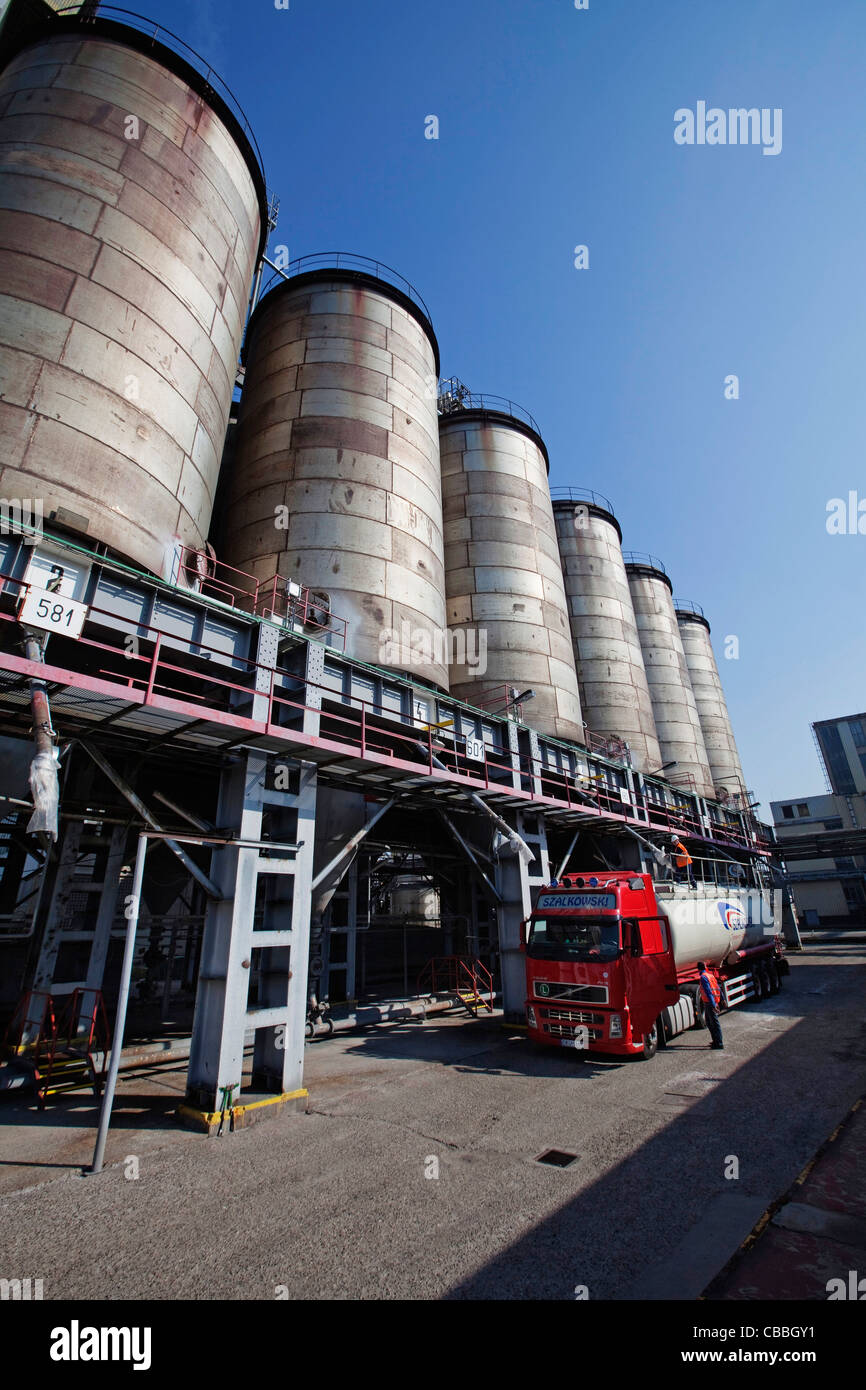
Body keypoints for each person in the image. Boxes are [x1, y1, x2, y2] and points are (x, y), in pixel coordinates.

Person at [697, 960, 724, 1049]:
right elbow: (718, 988)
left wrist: (713, 1005)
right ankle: (716, 1040)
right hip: (712, 1001)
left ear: (698, 969)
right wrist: (722, 999)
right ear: (705, 967)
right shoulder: (710, 976)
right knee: (709, 1022)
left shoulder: (703, 978)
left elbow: (708, 992)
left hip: (709, 1003)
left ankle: (719, 1043)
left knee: (714, 1023)